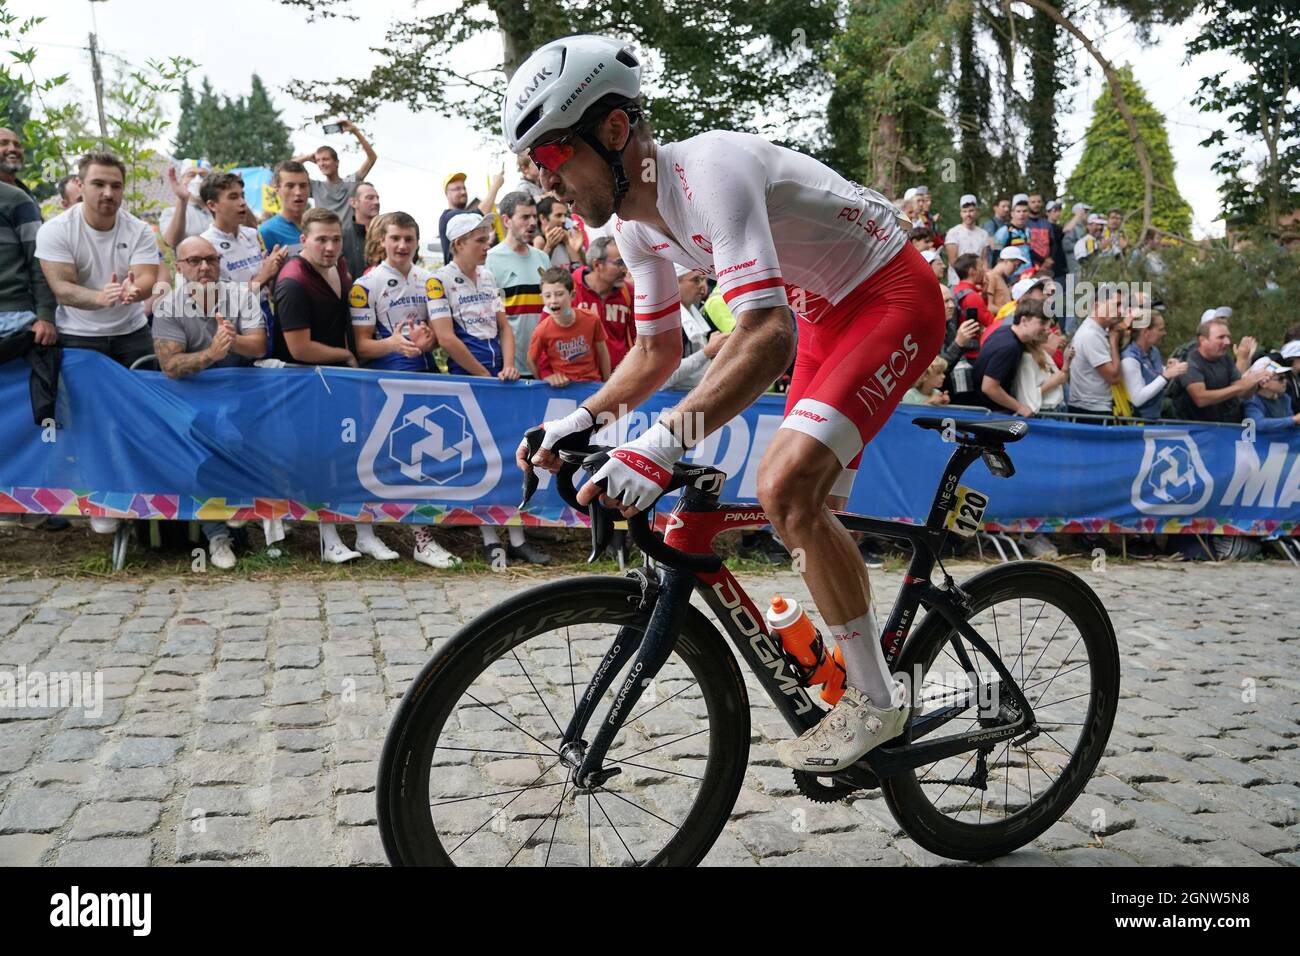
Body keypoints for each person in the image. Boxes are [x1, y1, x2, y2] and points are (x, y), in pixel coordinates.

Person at [506, 34, 946, 771]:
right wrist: (582, 419)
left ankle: (876, 703)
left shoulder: (710, 170)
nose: (545, 183)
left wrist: (662, 442)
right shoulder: (634, 230)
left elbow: (765, 336)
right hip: (824, 314)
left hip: (891, 296)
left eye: (552, 157)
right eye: (534, 165)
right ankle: (860, 664)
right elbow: (656, 353)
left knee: (785, 486)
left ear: (614, 132)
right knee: (810, 519)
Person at [431, 212, 548, 567]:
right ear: (458, 244)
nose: (486, 246)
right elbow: (446, 338)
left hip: (501, 379)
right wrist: (484, 374)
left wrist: (509, 365)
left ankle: (516, 537)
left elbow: (505, 328)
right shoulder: (439, 280)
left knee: (511, 457)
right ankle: (488, 537)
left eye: (486, 238)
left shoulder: (488, 275)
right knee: (479, 461)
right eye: (480, 240)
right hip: (471, 380)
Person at [35, 152, 161, 367]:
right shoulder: (55, 230)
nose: (108, 193)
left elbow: (147, 278)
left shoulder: (140, 230)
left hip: (133, 333)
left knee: (140, 398)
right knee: (84, 400)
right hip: (78, 335)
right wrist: (101, 298)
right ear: (80, 185)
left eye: (116, 186)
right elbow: (62, 289)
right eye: (98, 184)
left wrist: (135, 289)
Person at [348, 211, 436, 373]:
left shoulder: (430, 280)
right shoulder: (364, 285)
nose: (402, 246)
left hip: (428, 369)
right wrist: (392, 345)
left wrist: (429, 342)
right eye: (395, 238)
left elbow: (438, 335)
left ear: (417, 243)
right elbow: (361, 347)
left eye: (409, 239)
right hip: (391, 375)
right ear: (382, 240)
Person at [199, 171, 286, 332]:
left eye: (242, 196)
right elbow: (218, 300)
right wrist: (264, 276)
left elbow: (267, 283)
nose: (242, 203)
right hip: (234, 323)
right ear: (212, 205)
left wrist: (275, 270)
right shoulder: (204, 245)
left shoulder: (252, 234)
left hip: (265, 312)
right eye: (233, 197)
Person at [486, 190, 551, 375]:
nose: (532, 223)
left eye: (533, 216)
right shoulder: (490, 261)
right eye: (524, 217)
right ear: (506, 221)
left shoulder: (543, 258)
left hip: (544, 368)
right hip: (511, 370)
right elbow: (493, 319)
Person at [1171, 318, 1268, 423]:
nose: (1227, 342)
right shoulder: (1191, 363)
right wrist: (1240, 386)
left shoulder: (1225, 359)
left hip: (1224, 426)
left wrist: (1254, 382)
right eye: (1221, 337)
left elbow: (1243, 393)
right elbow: (1201, 399)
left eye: (1228, 337)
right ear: (1203, 340)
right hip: (1196, 429)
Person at [528, 266, 610, 385]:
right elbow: (531, 360)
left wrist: (606, 383)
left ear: (572, 295)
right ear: (542, 298)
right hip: (562, 389)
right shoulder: (542, 330)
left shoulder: (591, 319)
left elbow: (603, 352)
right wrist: (545, 379)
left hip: (591, 385)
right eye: (548, 296)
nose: (554, 300)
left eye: (559, 294)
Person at [970, 299, 1050, 416]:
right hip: (990, 412)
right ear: (1024, 320)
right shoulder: (1009, 347)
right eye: (1042, 323)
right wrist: (1020, 407)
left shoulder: (1004, 331)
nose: (1046, 328)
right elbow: (989, 387)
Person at [290, 121, 378, 226]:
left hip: (349, 238)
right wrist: (307, 157)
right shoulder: (316, 187)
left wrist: (355, 131)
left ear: (336, 162)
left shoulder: (350, 181)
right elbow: (287, 169)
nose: (321, 163)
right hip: (324, 237)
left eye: (325, 159)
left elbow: (372, 158)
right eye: (318, 160)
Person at [662, 264, 728, 391]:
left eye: (705, 280)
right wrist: (707, 352)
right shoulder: (668, 323)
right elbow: (666, 377)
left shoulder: (694, 315)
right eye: (696, 280)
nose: (704, 287)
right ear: (674, 283)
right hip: (671, 404)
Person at [571, 236, 635, 368]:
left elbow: (637, 339)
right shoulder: (570, 287)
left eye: (626, 262)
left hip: (618, 377)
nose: (625, 269)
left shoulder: (629, 293)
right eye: (619, 263)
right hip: (580, 380)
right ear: (597, 265)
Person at [1065, 288, 1126, 419]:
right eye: (1117, 305)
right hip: (1090, 411)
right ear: (1097, 306)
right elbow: (1114, 377)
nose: (1121, 311)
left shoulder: (1097, 330)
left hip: (1094, 407)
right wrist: (1114, 342)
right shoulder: (1091, 335)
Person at [1120, 309, 1186, 420]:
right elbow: (1137, 398)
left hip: (1155, 417)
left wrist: (1169, 369)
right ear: (1146, 332)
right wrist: (1166, 375)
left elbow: (1153, 375)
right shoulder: (1129, 359)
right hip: (1138, 423)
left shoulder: (1153, 351)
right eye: (1161, 329)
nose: (1164, 333)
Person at [438, 170, 505, 263]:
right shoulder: (448, 217)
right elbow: (480, 213)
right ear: (447, 193)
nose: (463, 192)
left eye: (464, 188)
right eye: (457, 189)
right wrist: (495, 186)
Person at [259, 161, 311, 258]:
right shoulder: (266, 231)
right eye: (290, 186)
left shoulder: (318, 225)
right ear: (277, 189)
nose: (298, 192)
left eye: (303, 186)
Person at [161, 164, 214, 250]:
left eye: (203, 176)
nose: (197, 180)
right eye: (191, 175)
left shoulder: (219, 208)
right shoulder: (171, 212)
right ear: (183, 180)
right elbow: (171, 242)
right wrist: (182, 201)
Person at [1242, 357, 1300, 432]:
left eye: (1285, 377)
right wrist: (1294, 420)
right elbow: (1259, 424)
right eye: (1281, 378)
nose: (1285, 381)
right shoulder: (1252, 401)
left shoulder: (1285, 398)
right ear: (1263, 383)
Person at [943, 194, 991, 285]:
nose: (968, 214)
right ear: (961, 213)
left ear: (977, 211)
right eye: (964, 211)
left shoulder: (983, 234)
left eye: (971, 211)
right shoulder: (953, 232)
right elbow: (953, 261)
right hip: (957, 282)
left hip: (978, 282)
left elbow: (984, 260)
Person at [534, 195, 586, 268]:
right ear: (543, 218)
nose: (564, 220)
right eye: (558, 215)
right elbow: (537, 272)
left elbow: (582, 272)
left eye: (565, 215)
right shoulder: (539, 241)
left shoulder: (566, 238)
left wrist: (578, 250)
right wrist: (549, 247)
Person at [341, 182, 380, 277]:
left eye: (377, 198)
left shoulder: (387, 237)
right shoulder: (341, 238)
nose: (376, 202)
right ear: (354, 203)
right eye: (370, 198)